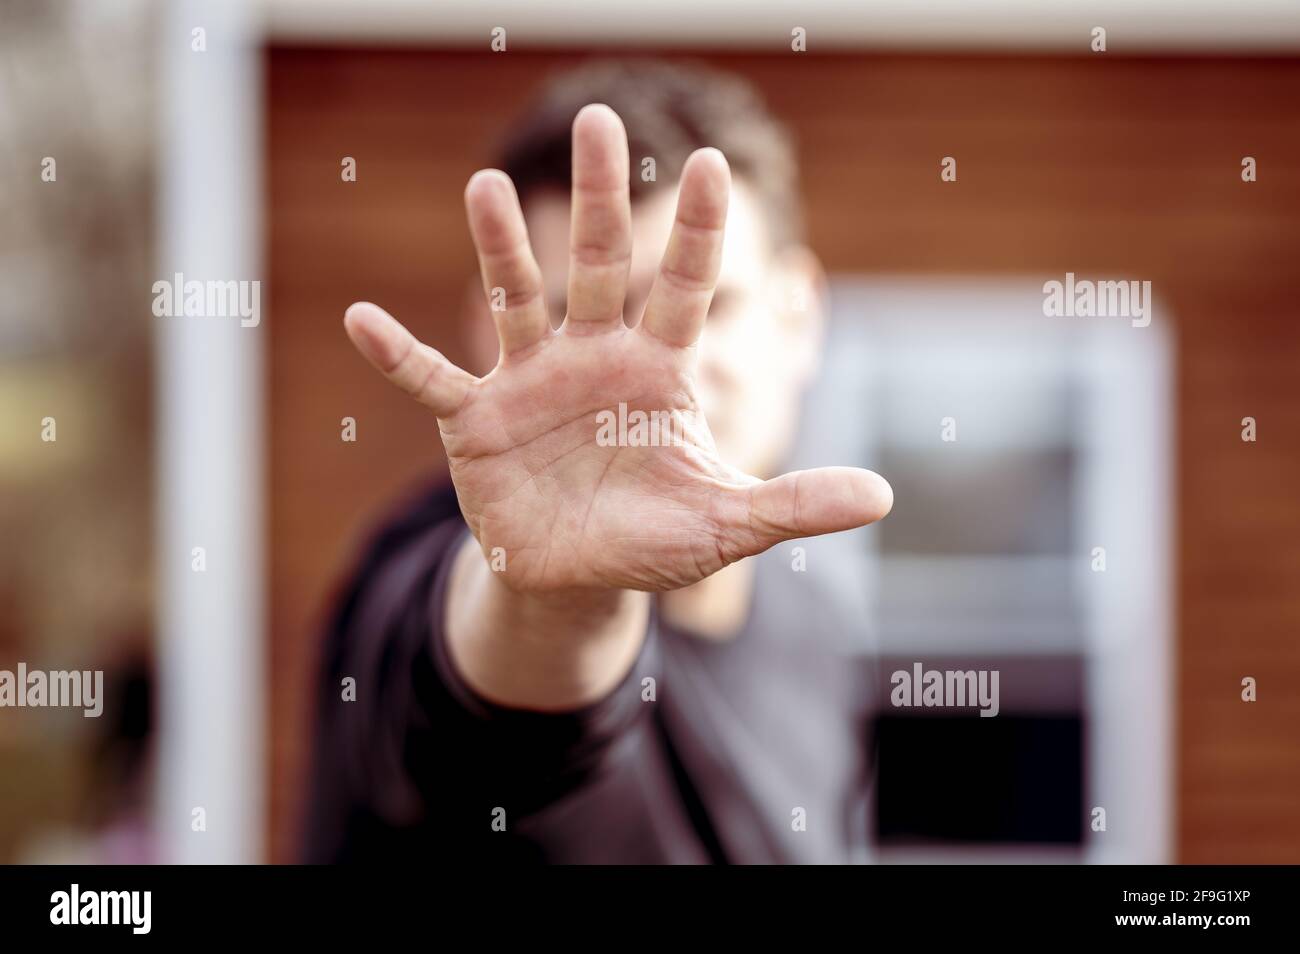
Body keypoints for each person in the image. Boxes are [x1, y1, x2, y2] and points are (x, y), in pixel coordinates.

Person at [303, 60, 893, 863]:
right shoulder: (416, 580)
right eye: (580, 319)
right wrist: (558, 599)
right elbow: (490, 709)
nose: (663, 375)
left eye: (708, 304)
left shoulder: (818, 625)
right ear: (490, 334)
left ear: (802, 315)